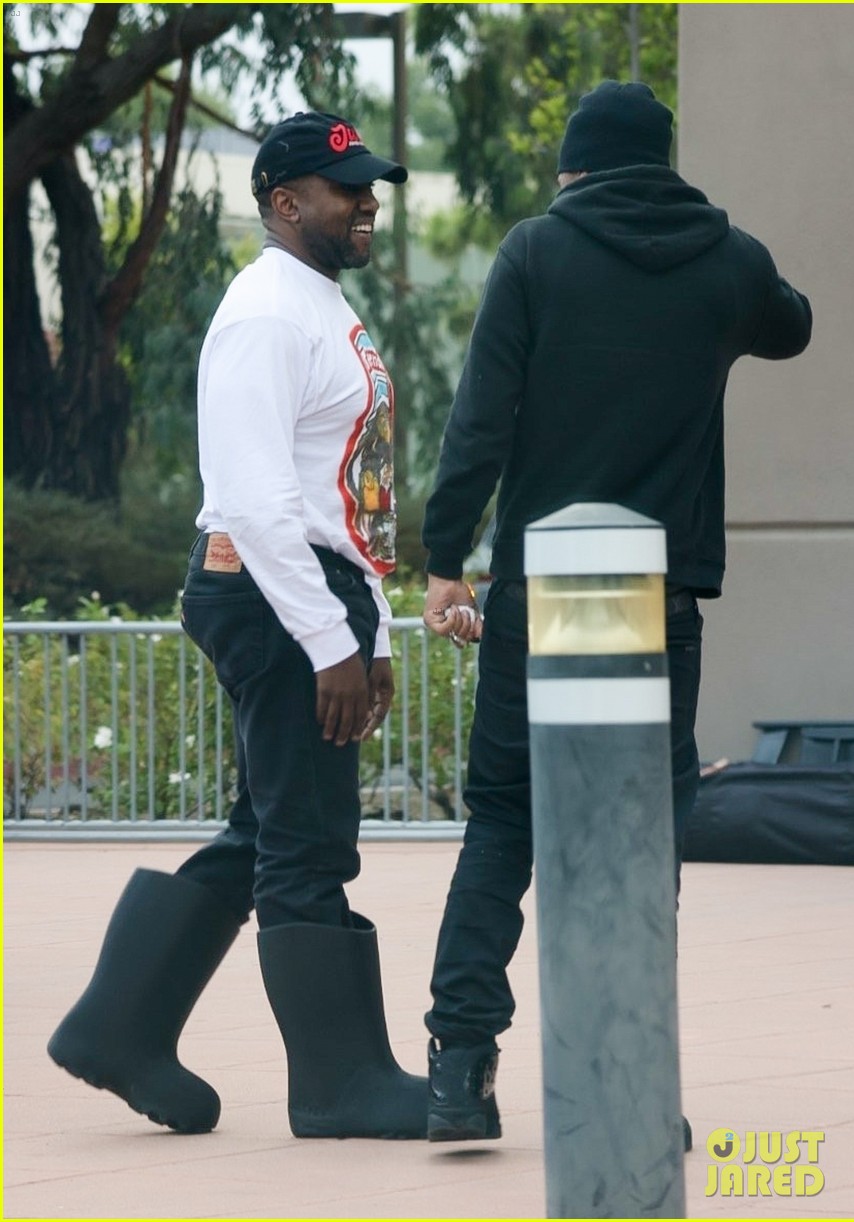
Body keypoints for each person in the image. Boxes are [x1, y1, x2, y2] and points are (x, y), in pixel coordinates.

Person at [420, 81, 812, 1145]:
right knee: (632, 840)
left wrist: (443, 558)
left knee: (505, 817)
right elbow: (793, 326)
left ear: (573, 167)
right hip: (652, 593)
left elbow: (480, 419)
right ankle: (623, 1085)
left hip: (542, 589)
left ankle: (459, 1068)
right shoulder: (724, 261)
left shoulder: (534, 253)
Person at [48, 111, 428, 1141]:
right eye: (344, 187)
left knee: (269, 825)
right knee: (308, 844)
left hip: (307, 589)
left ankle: (116, 1026)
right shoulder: (268, 309)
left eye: (368, 185)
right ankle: (341, 1085)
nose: (365, 202)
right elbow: (256, 498)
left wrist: (374, 629)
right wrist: (327, 640)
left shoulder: (314, 303)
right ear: (281, 203)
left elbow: (346, 494)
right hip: (272, 592)